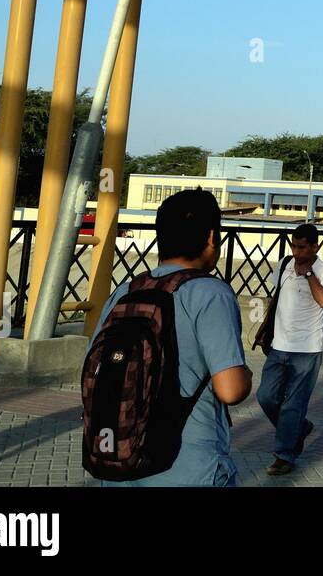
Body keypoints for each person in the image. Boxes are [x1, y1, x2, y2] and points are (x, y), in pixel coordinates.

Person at [88, 189, 251, 486]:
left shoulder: (126, 291)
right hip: (188, 466)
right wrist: (246, 373)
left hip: (121, 460)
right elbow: (231, 390)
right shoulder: (210, 293)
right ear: (212, 238)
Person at [253, 223, 323, 476]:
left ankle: (285, 455)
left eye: (302, 247)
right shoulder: (284, 265)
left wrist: (310, 274)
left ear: (316, 246)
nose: (297, 251)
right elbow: (276, 297)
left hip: (307, 349)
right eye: (294, 245)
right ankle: (299, 428)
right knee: (265, 396)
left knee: (293, 404)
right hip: (279, 345)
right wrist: (265, 329)